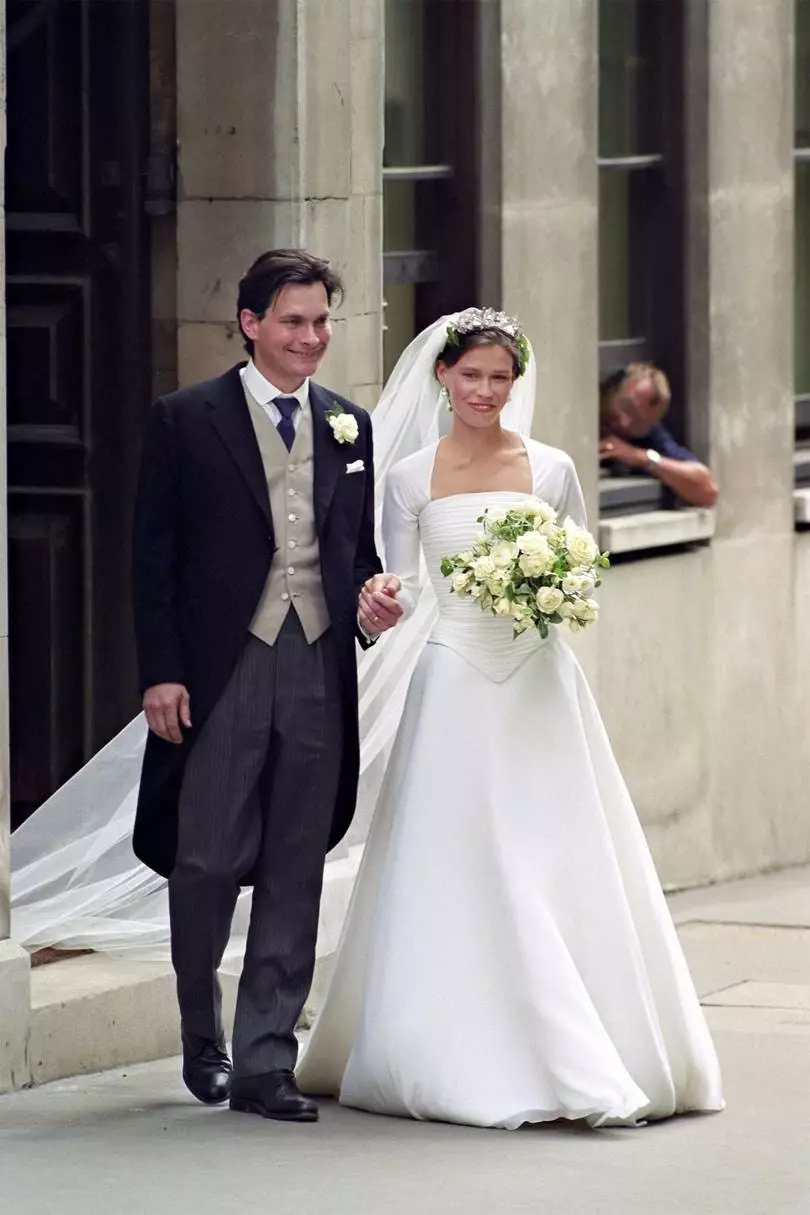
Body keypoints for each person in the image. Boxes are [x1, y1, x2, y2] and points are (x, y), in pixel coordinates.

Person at [295, 309, 724, 1129]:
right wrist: (382, 597)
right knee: (461, 851)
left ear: (514, 383)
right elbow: (403, 580)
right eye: (471, 377)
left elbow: (584, 566)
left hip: (537, 678)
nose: (485, 391)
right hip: (453, 673)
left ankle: (580, 1038)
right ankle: (455, 1044)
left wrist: (553, 587)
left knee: (549, 848)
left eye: (499, 378)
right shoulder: (408, 475)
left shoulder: (554, 467)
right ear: (444, 379)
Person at [131, 248, 402, 1122]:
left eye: (322, 321)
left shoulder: (348, 426)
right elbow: (153, 560)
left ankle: (264, 1062)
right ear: (251, 324)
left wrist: (371, 602)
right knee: (205, 857)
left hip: (318, 660)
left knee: (295, 859)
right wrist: (162, 672)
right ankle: (201, 1037)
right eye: (293, 320)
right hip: (222, 665)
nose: (311, 337)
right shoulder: (185, 419)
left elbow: (355, 555)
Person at [599, 363, 718, 508]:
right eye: (626, 407)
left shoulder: (647, 436)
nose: (625, 423)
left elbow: (707, 491)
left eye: (638, 422)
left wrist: (641, 458)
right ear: (610, 392)